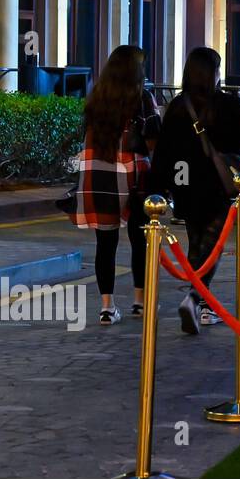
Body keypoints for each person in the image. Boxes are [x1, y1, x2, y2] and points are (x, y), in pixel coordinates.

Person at [151, 47, 240, 335]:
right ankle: (195, 297)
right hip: (217, 184)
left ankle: (203, 302)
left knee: (197, 241)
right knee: (212, 244)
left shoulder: (177, 106)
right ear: (213, 73)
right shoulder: (224, 104)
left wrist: (161, 186)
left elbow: (163, 152)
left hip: (185, 185)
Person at [69, 45, 158, 326]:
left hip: (97, 174)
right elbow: (154, 135)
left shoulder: (97, 97)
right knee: (139, 241)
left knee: (104, 244)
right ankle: (140, 302)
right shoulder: (142, 97)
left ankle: (107, 307)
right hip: (133, 175)